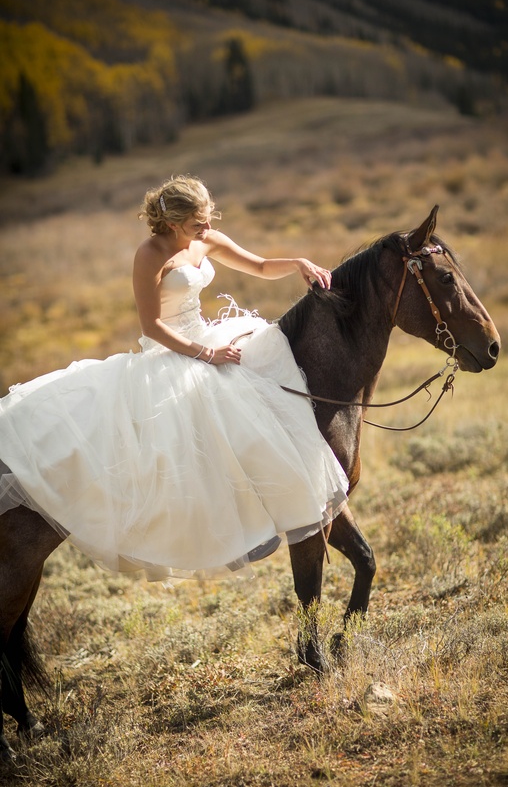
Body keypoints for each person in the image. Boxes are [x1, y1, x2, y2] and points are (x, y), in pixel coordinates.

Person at [0, 175, 348, 581]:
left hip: (205, 334)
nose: (206, 229)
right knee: (183, 444)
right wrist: (207, 354)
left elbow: (258, 265)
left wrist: (297, 264)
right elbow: (151, 327)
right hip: (171, 353)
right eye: (197, 224)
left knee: (264, 394)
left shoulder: (206, 238)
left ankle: (277, 505)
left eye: (208, 219)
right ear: (171, 223)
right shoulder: (150, 254)